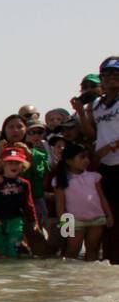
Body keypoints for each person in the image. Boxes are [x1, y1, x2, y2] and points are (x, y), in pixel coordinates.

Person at [80, 55, 119, 264]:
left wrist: (110, 147)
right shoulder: (96, 104)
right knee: (108, 214)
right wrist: (80, 111)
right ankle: (111, 260)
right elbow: (92, 133)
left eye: (116, 73)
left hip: (114, 158)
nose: (111, 77)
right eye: (107, 74)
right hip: (105, 166)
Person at [54, 142, 112, 261]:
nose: (86, 160)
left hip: (97, 219)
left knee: (93, 250)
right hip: (73, 220)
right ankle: (68, 277)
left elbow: (102, 198)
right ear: (69, 161)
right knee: (71, 251)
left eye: (87, 157)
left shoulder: (94, 176)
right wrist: (64, 227)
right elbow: (60, 205)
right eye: (82, 157)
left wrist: (109, 215)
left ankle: (90, 278)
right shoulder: (61, 179)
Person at [0, 146, 37, 259]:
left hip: (15, 220)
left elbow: (28, 204)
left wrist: (34, 221)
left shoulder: (25, 184)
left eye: (17, 163)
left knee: (14, 249)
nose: (13, 165)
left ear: (22, 166)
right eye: (10, 163)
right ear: (3, 165)